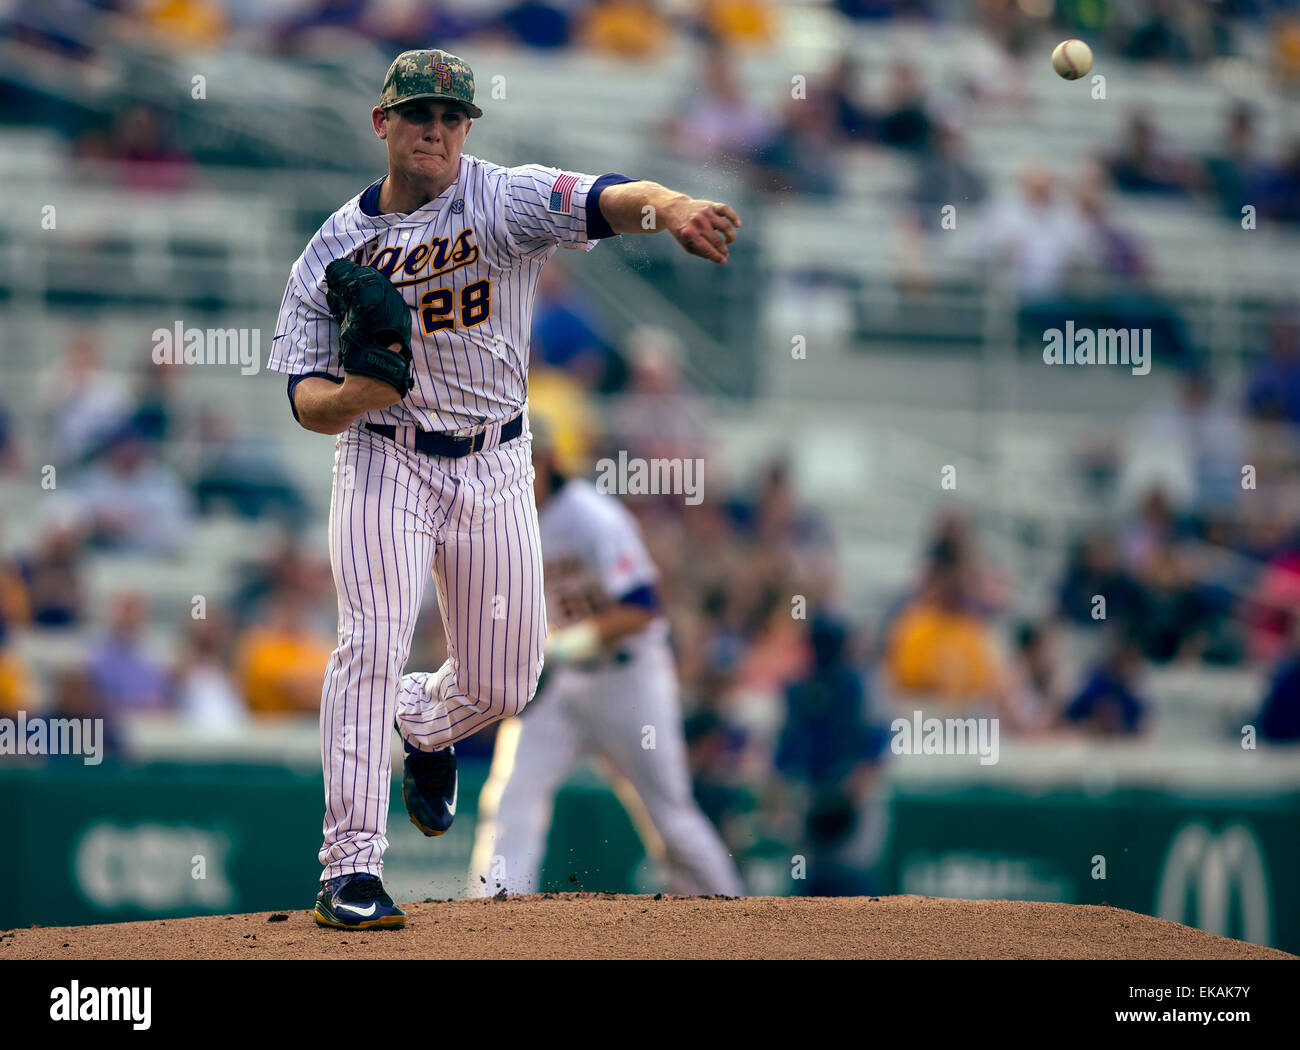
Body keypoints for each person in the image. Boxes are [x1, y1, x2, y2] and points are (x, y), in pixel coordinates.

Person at [268, 48, 742, 929]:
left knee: (506, 680)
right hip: (385, 454)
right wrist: (354, 397)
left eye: (451, 116)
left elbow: (602, 197)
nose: (436, 130)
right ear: (383, 124)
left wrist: (670, 206)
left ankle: (423, 720)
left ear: (467, 128)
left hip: (495, 460)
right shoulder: (333, 247)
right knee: (371, 639)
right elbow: (303, 399)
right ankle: (349, 869)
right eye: (419, 115)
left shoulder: (500, 198)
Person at [468, 423, 743, 897]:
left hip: (628, 677)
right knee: (511, 798)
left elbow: (641, 606)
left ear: (548, 461)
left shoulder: (593, 517)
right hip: (560, 685)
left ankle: (733, 916)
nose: (505, 473)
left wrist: (560, 646)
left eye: (516, 461)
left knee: (670, 819)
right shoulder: (505, 520)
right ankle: (493, 917)